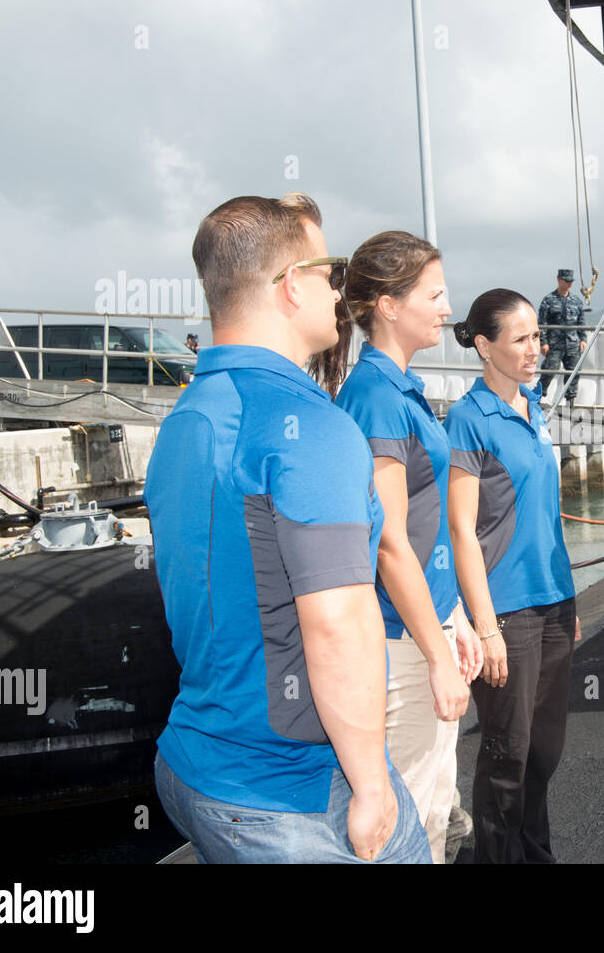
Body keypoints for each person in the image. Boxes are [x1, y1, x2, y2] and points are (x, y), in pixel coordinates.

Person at [146, 193, 429, 864]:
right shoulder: (312, 429)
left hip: (198, 758)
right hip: (292, 785)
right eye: (329, 270)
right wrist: (368, 784)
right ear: (291, 285)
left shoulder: (183, 422)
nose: (339, 289)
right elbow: (338, 622)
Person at [312, 230, 483, 864]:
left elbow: (423, 532)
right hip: (402, 645)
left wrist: (455, 616)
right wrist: (438, 656)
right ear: (389, 305)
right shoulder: (379, 398)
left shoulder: (396, 389)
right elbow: (388, 544)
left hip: (424, 628)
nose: (446, 308)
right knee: (407, 828)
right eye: (434, 294)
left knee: (436, 811)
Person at [445, 289, 581, 863]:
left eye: (538, 337)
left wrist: (568, 601)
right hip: (506, 610)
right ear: (484, 345)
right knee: (507, 757)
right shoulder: (468, 420)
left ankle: (535, 856)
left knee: (544, 753)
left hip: (552, 603)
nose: (537, 349)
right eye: (522, 339)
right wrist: (485, 626)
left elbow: (546, 517)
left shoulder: (535, 406)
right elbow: (461, 532)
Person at [534, 268, 586, 407]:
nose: (569, 284)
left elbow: (581, 322)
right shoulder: (549, 300)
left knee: (573, 373)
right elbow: (542, 323)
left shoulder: (576, 301)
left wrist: (583, 339)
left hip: (572, 344)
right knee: (548, 371)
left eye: (570, 281)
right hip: (554, 344)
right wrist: (543, 343)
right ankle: (536, 399)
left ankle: (571, 403)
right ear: (559, 280)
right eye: (566, 281)